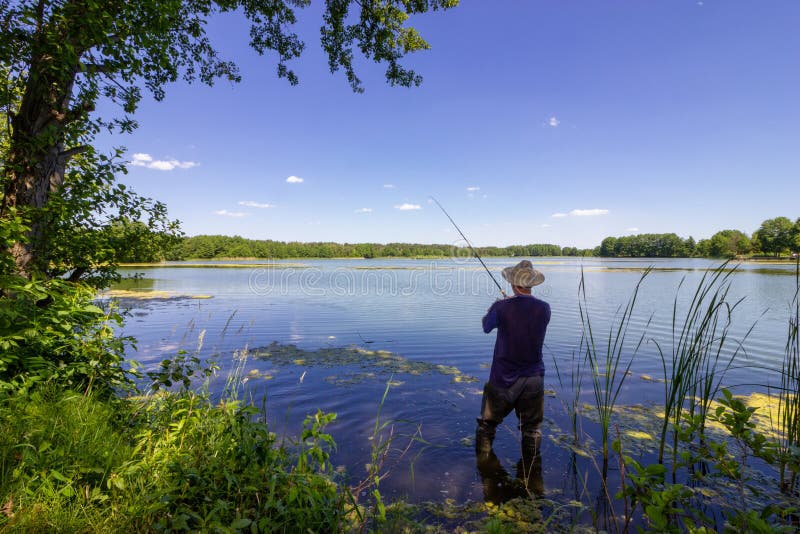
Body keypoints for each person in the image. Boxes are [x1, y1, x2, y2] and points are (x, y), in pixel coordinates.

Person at [475, 260, 550, 464]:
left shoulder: (501, 307)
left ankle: (484, 467)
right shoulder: (544, 308)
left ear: (513, 283)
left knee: (487, 425)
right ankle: (531, 474)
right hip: (534, 379)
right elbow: (524, 314)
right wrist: (510, 304)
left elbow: (486, 326)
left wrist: (496, 306)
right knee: (532, 430)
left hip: (503, 379)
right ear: (531, 284)